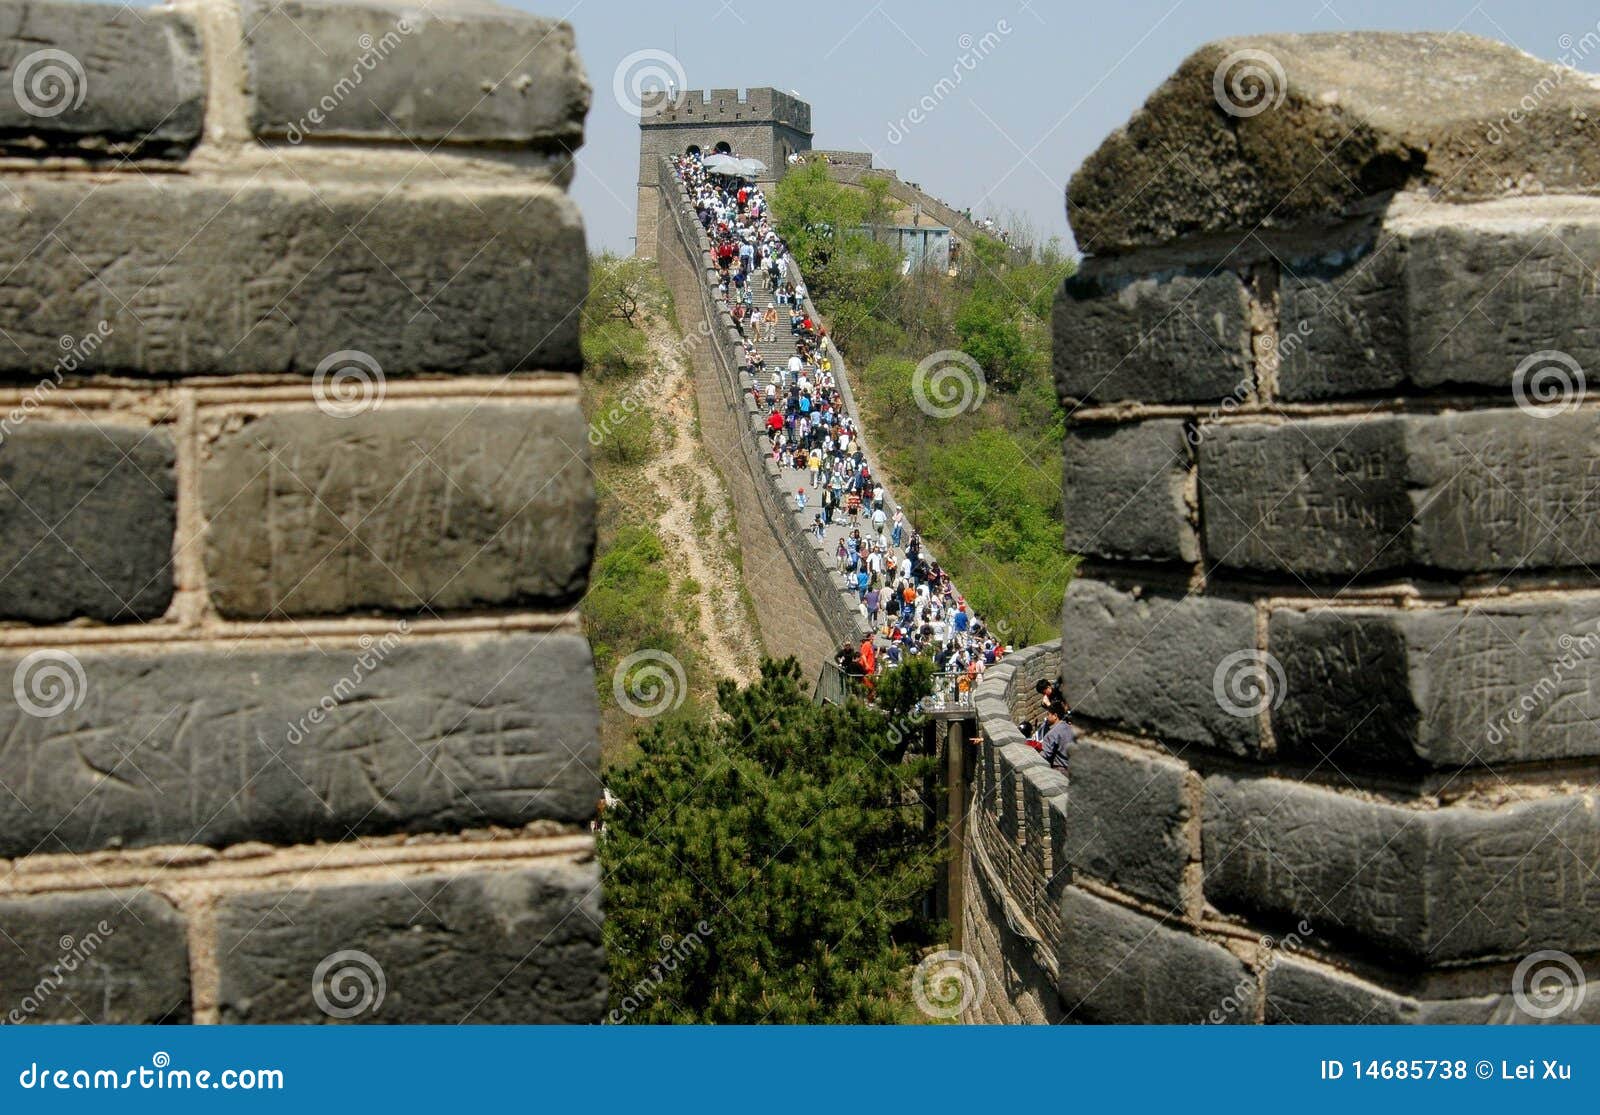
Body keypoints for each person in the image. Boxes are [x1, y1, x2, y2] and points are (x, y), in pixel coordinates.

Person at [1039, 698, 1073, 772]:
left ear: (1055, 716)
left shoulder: (1052, 733)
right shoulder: (1070, 728)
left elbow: (1044, 755)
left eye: (1048, 714)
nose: (1046, 718)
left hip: (1061, 770)